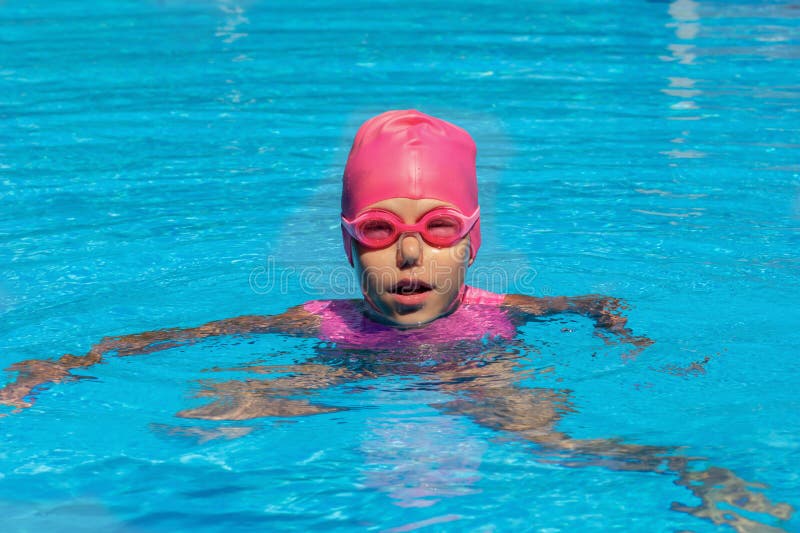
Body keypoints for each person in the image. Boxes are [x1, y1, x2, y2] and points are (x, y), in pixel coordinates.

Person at [0, 110, 792, 529]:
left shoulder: (501, 309)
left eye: (438, 229)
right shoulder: (324, 320)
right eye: (381, 231)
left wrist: (619, 331)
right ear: (348, 248)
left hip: (478, 377)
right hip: (346, 374)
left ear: (472, 244)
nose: (410, 253)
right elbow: (196, 336)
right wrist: (71, 362)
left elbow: (586, 303)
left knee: (559, 443)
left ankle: (692, 473)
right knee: (210, 417)